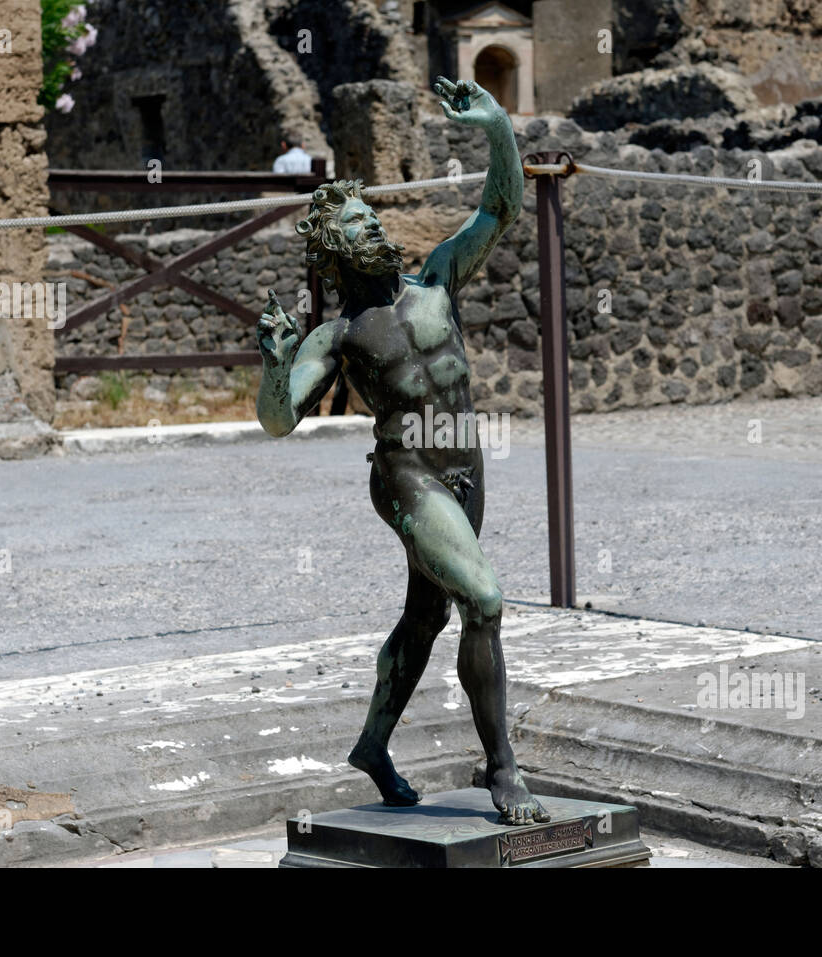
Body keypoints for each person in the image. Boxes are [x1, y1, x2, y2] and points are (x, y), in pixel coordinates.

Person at [255, 77, 548, 825]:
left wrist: (498, 129)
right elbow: (279, 419)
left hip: (464, 468)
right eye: (356, 224)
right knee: (483, 601)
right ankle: (503, 769)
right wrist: (272, 364)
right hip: (406, 476)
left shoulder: (437, 280)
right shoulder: (340, 334)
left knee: (426, 619)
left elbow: (500, 208)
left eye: (371, 215)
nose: (373, 229)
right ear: (332, 252)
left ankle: (373, 745)